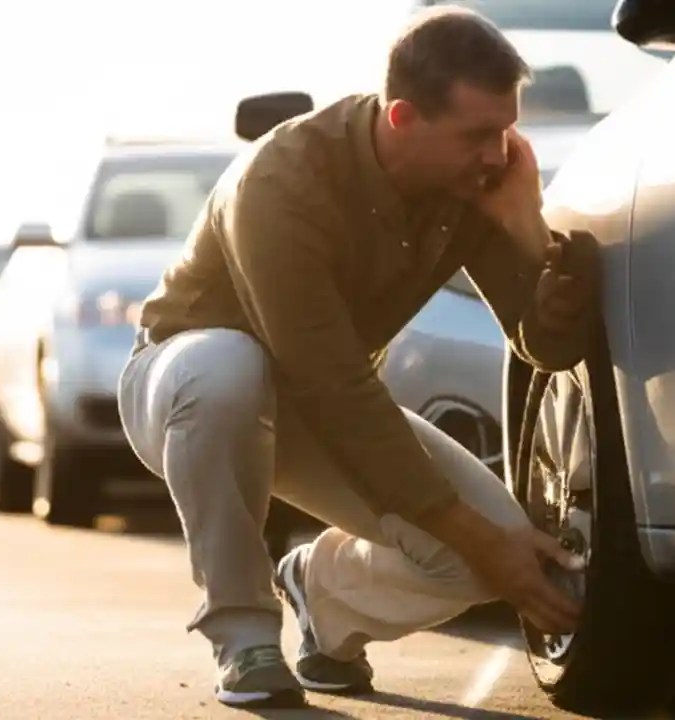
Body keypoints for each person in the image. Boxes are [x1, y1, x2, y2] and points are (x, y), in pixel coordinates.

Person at [118, 6, 597, 709]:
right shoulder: (283, 181)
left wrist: (532, 234)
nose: (497, 154)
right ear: (402, 118)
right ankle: (244, 636)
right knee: (228, 369)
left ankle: (323, 598)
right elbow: (333, 383)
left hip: (316, 410)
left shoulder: (467, 184)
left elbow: (545, 345)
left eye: (505, 130)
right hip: (185, 388)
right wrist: (474, 534)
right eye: (477, 134)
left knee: (490, 559)